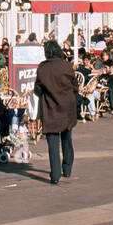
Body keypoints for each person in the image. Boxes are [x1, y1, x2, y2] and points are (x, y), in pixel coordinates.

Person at [33, 41, 78, 185]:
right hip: (67, 107)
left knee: (52, 143)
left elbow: (37, 89)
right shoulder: (67, 66)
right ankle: (67, 168)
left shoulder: (42, 68)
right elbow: (75, 86)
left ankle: (55, 174)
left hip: (50, 108)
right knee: (67, 139)